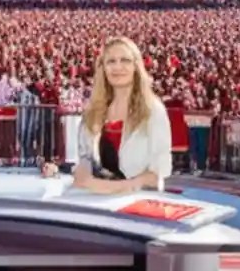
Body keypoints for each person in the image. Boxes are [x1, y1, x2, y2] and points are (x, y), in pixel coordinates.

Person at [72, 37, 172, 194]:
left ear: (136, 66)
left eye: (125, 60)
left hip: (139, 204)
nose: (117, 67)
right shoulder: (93, 112)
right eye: (111, 61)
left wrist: (112, 187)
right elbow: (86, 158)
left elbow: (158, 172)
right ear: (103, 68)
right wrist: (82, 173)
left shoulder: (153, 111)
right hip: (95, 202)